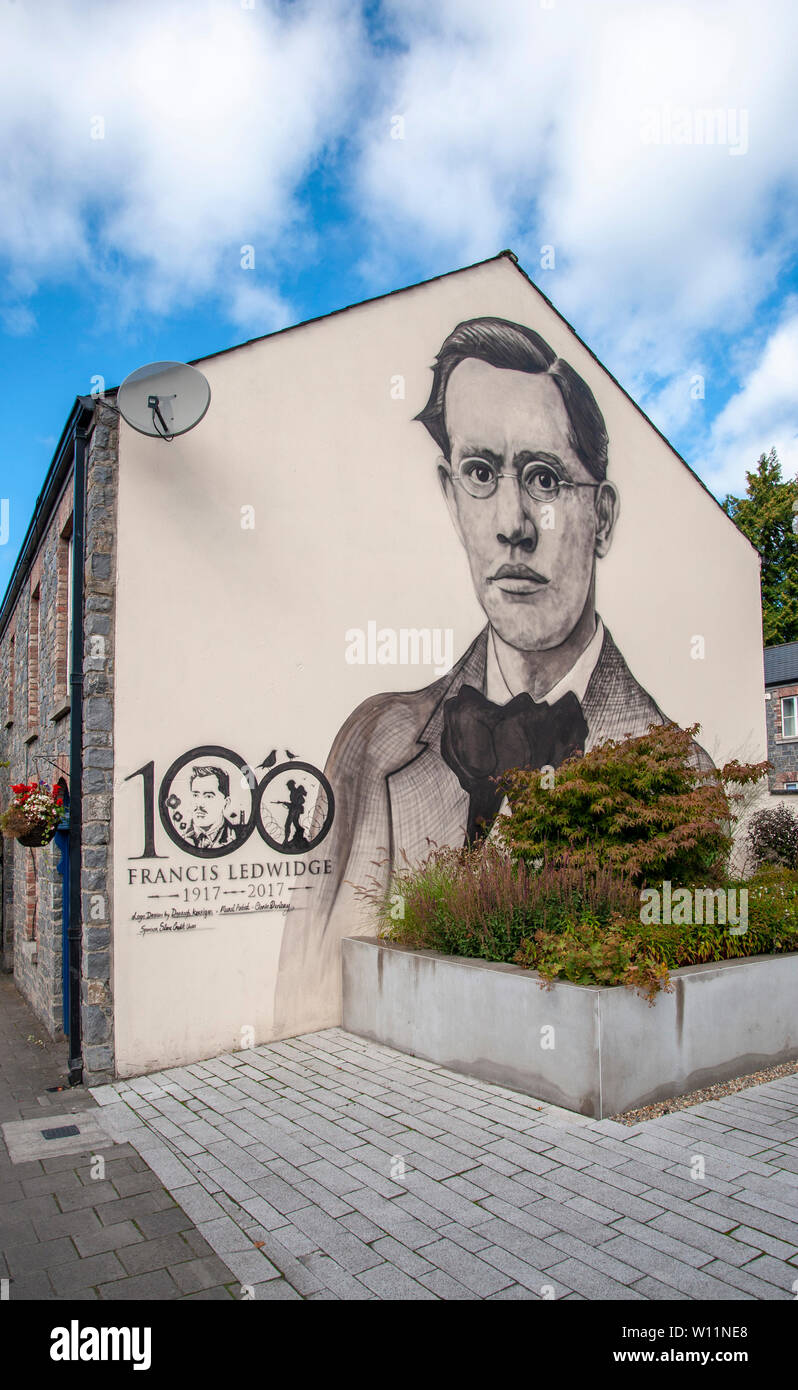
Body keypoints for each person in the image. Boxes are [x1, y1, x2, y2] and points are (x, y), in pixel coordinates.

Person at [273, 315, 712, 1034]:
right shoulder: (374, 740)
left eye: (544, 478)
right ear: (451, 500)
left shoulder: (679, 769)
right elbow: (300, 1000)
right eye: (480, 474)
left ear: (600, 518)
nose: (513, 522)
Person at [183, 765, 242, 850]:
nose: (199, 804)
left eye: (208, 796)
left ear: (226, 803)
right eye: (195, 795)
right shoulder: (184, 837)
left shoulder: (236, 836)